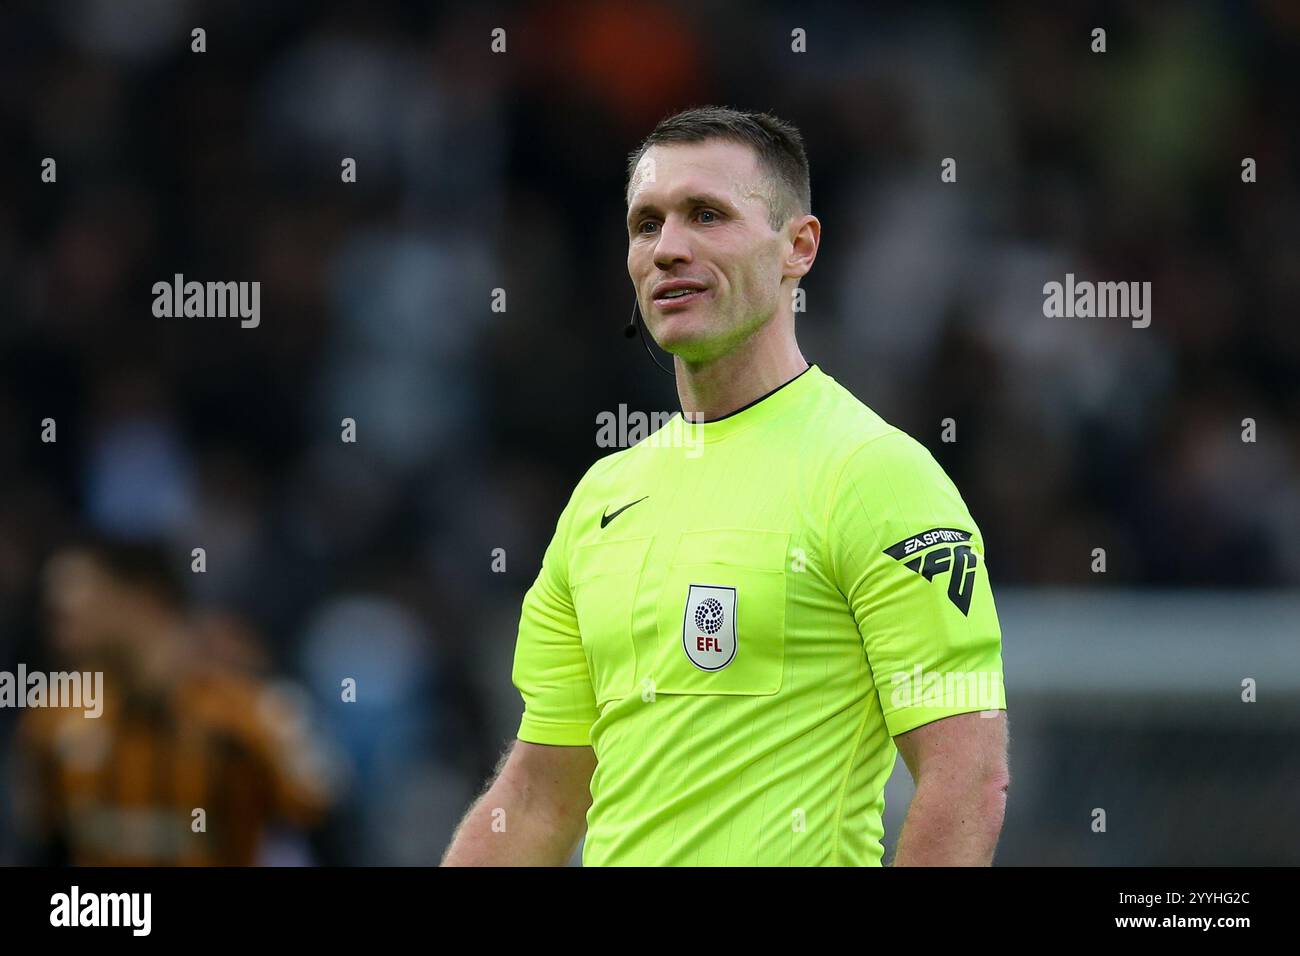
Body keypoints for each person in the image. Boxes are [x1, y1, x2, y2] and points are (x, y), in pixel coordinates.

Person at [444, 106, 1008, 866]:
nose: (669, 248)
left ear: (798, 247)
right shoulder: (601, 501)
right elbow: (538, 798)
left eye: (706, 215)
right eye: (647, 225)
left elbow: (965, 778)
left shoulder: (873, 475)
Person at [14, 537, 334, 865]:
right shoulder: (55, 717)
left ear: (143, 598)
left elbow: (323, 827)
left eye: (78, 591)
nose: (57, 607)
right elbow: (42, 844)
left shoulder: (252, 714)